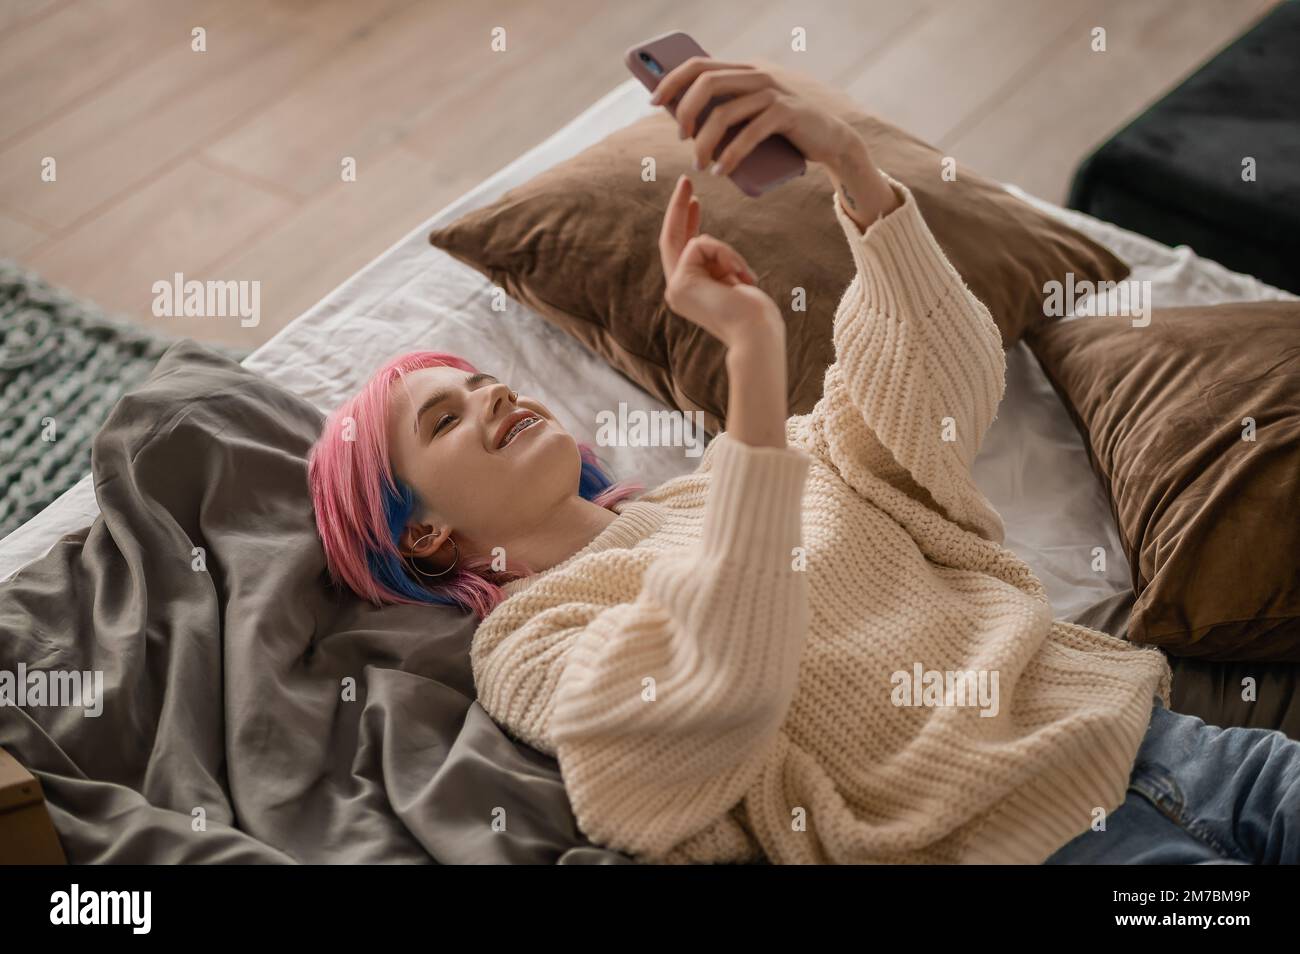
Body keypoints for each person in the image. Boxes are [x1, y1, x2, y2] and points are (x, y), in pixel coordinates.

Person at [307, 58, 1300, 864]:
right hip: (1018, 844)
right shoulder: (529, 643)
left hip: (1164, 739)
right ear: (425, 533)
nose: (493, 395)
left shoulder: (742, 477)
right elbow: (710, 687)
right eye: (443, 419)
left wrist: (850, 169)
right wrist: (748, 367)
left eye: (479, 381)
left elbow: (928, 388)